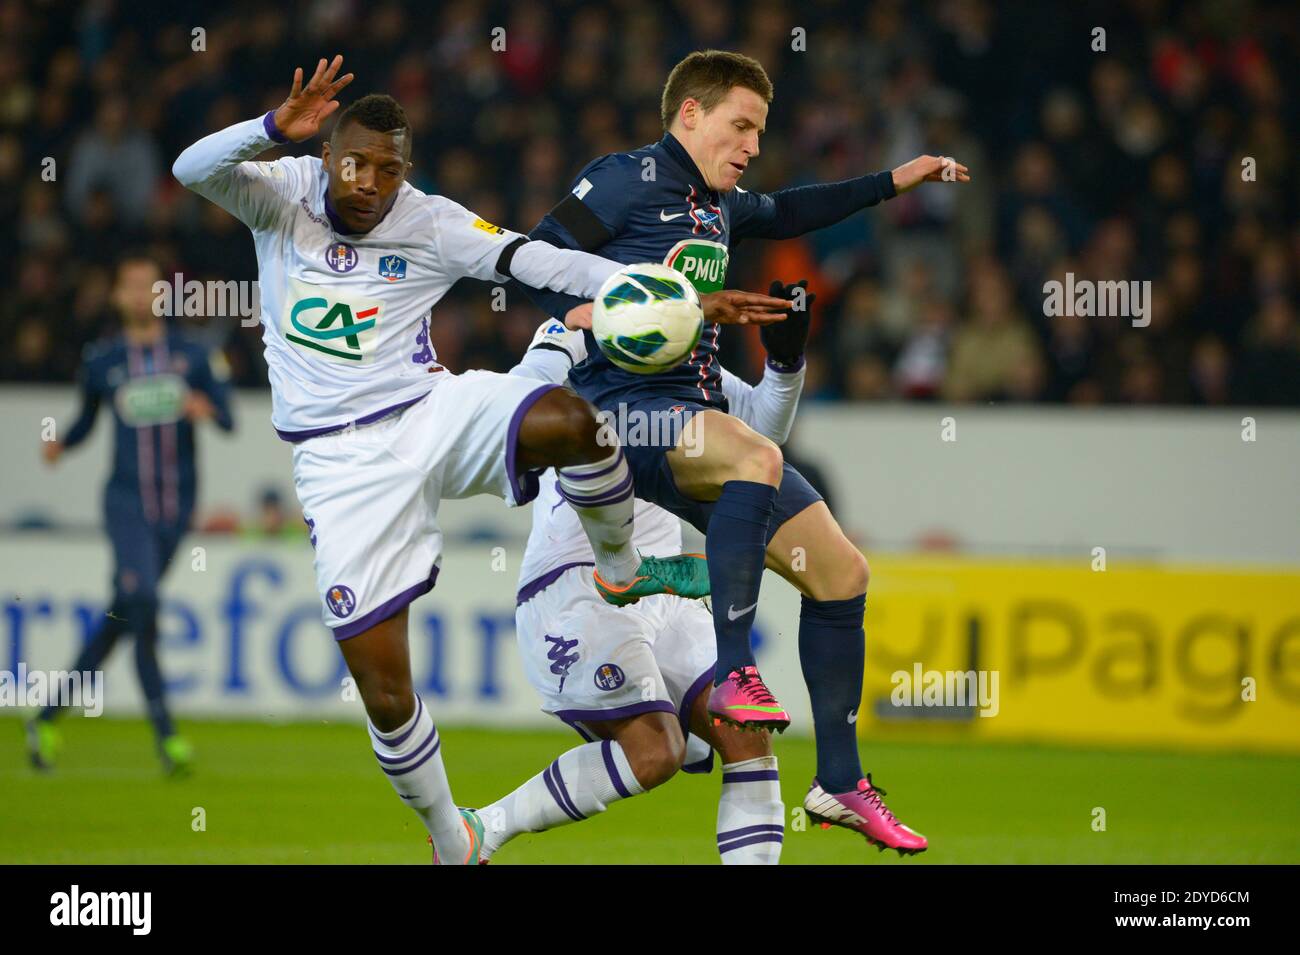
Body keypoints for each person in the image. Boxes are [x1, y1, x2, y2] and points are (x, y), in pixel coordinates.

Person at [171, 55, 731, 865]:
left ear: (406, 172)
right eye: (355, 163)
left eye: (389, 171)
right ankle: (454, 839)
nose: (369, 184)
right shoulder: (279, 191)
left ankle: (619, 566)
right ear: (327, 154)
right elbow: (190, 168)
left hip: (429, 411)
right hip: (341, 464)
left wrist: (655, 289)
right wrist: (267, 129)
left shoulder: (427, 220)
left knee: (576, 422)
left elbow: (537, 261)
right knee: (387, 691)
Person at [518, 50, 968, 853]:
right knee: (755, 457)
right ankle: (733, 666)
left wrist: (895, 180)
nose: (754, 144)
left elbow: (793, 208)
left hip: (695, 415)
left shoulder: (718, 204)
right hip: (625, 412)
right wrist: (636, 310)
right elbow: (535, 265)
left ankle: (837, 780)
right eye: (741, 125)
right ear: (689, 114)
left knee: (842, 572)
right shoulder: (622, 180)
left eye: (760, 129)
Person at [456, 297, 806, 864]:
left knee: (747, 732)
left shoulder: (693, 369)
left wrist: (786, 364)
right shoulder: (584, 349)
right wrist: (563, 328)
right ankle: (484, 829)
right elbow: (513, 403)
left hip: (662, 590)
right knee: (655, 752)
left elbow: (765, 429)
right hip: (578, 586)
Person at [27, 254, 233, 776]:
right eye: (132, 287)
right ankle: (167, 736)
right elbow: (84, 422)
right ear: (118, 297)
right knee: (142, 599)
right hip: (126, 504)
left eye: (150, 286)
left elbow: (228, 417)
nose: (141, 296)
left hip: (175, 509)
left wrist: (205, 409)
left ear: (162, 296)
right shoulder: (103, 360)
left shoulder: (192, 354)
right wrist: (60, 445)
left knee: (124, 612)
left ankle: (47, 717)